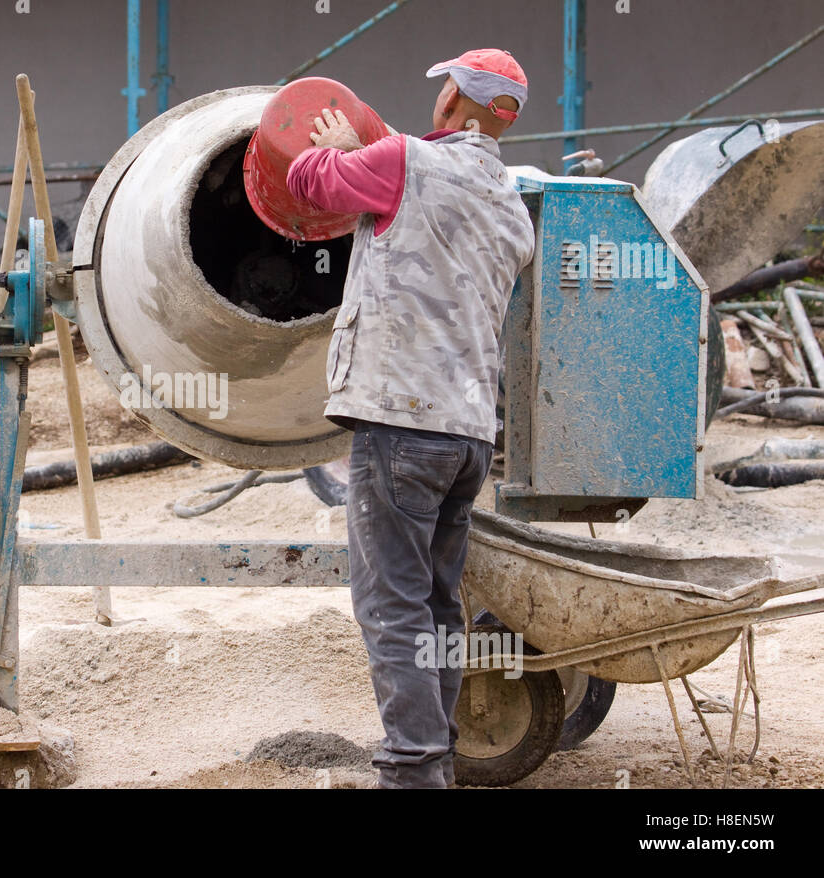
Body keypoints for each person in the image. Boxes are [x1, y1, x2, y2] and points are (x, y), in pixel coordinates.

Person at [285, 49, 537, 789]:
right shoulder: (510, 206)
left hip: (400, 421)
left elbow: (308, 188)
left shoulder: (402, 163)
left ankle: (412, 770)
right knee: (436, 605)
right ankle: (437, 759)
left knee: (389, 602)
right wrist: (374, 150)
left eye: (447, 86)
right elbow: (422, 190)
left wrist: (331, 149)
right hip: (467, 436)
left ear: (454, 96)